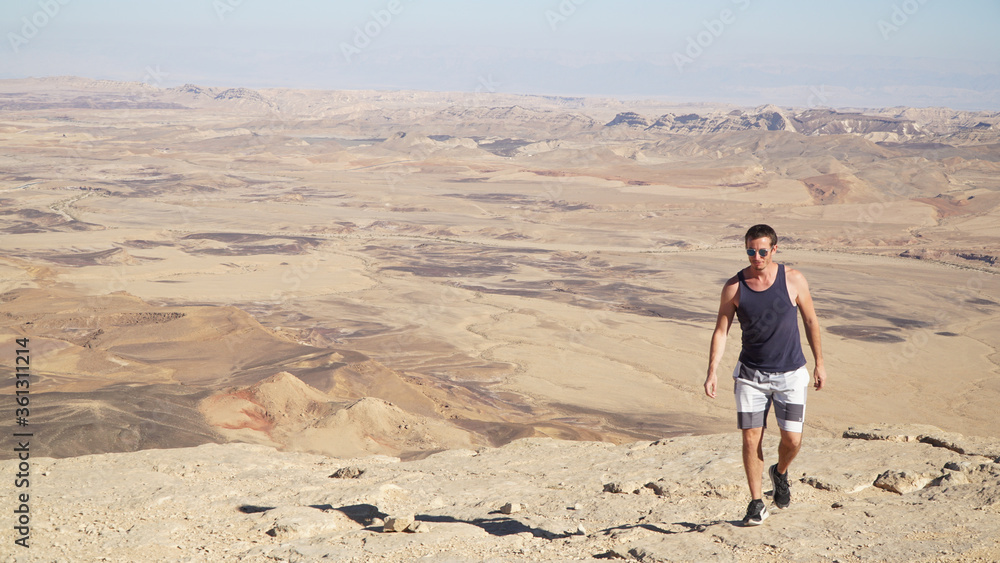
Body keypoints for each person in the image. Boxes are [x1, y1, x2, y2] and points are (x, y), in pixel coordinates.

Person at [703, 224, 826, 526]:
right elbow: (721, 331)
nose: (756, 257)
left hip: (791, 374)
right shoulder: (734, 287)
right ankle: (756, 503)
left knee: (792, 440)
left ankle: (779, 472)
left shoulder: (793, 280)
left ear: (774, 249)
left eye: (761, 251)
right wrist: (712, 371)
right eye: (750, 251)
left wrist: (819, 363)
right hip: (751, 376)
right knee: (750, 438)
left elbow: (811, 321)